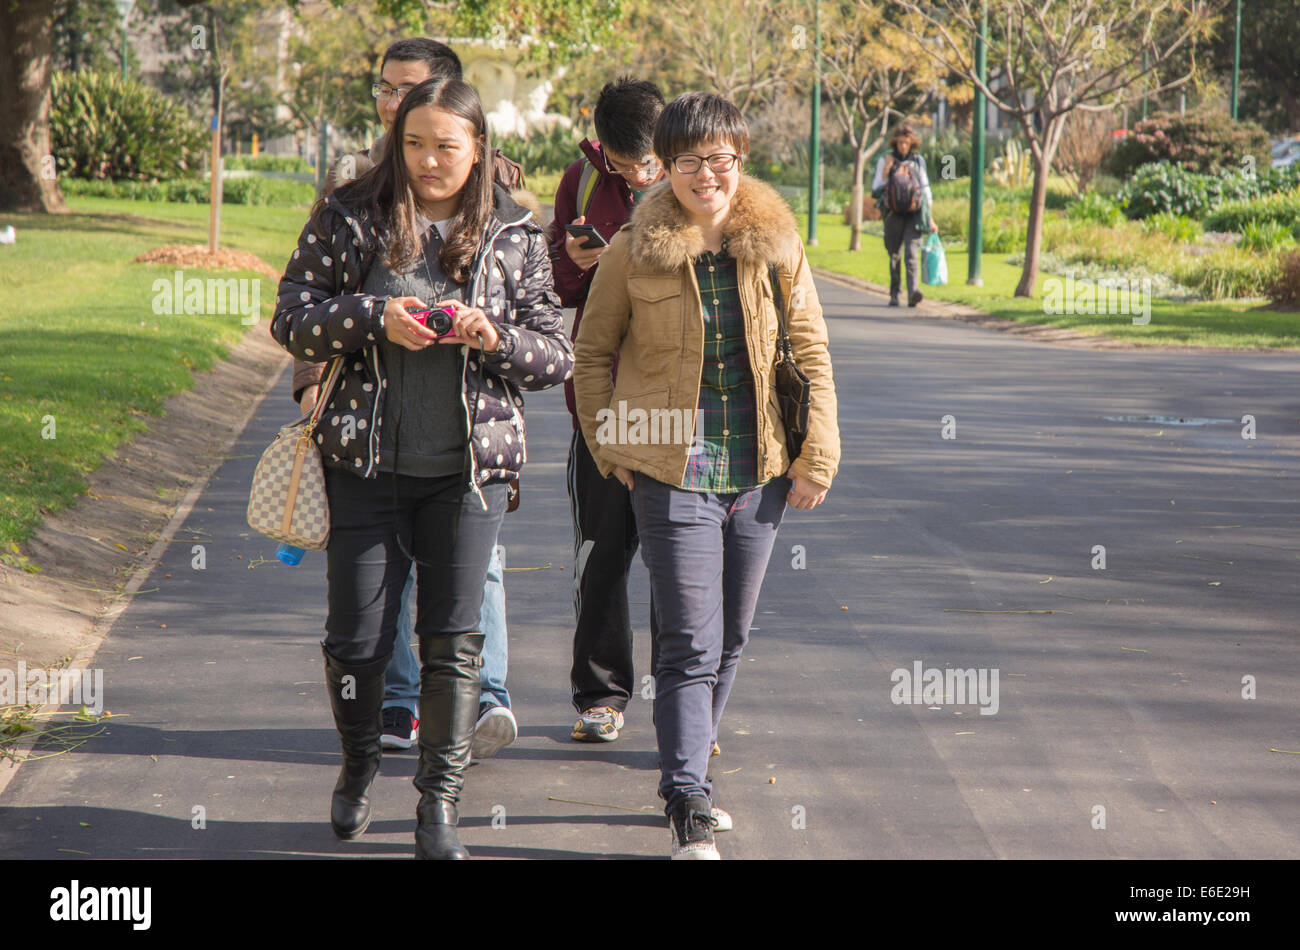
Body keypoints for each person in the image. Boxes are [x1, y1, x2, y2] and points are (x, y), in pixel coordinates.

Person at [270, 78, 573, 859]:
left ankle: (439, 805)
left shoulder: (515, 234)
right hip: (364, 469)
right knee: (356, 640)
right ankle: (359, 761)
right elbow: (292, 317)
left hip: (466, 476)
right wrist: (373, 318)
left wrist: (493, 336)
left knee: (452, 641)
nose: (430, 160)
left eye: (447, 145)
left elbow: (555, 356)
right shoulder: (349, 216)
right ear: (394, 143)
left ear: (479, 150)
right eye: (415, 143)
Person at [573, 93, 840, 859]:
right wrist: (611, 448)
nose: (706, 174)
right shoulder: (634, 245)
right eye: (688, 160)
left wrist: (815, 456)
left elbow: (812, 352)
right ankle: (687, 796)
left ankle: (692, 767)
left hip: (760, 467)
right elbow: (593, 356)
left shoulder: (777, 243)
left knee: (731, 637)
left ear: (740, 160)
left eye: (719, 158)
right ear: (667, 165)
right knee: (690, 638)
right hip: (670, 468)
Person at [294, 38, 525, 761]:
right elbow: (303, 305)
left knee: (467, 586)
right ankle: (390, 710)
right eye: (386, 92)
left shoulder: (507, 213)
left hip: (465, 456)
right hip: (368, 446)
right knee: (368, 607)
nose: (395, 104)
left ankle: (479, 705)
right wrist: (318, 377)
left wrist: (495, 337)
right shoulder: (352, 200)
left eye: (411, 89)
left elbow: (545, 339)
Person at [546, 77, 665, 744]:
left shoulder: (696, 179)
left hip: (681, 409)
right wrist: (573, 258)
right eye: (627, 164)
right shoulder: (581, 184)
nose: (639, 174)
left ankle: (686, 705)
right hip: (603, 405)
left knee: (684, 563)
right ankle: (601, 694)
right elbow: (561, 291)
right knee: (602, 553)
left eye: (647, 161)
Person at [870, 124, 938, 308]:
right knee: (894, 256)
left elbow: (925, 189)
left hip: (914, 215)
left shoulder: (917, 161)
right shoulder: (885, 160)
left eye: (906, 143)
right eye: (900, 143)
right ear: (895, 143)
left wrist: (930, 218)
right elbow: (876, 187)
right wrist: (887, 169)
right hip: (893, 214)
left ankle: (913, 292)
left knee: (912, 254)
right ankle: (895, 293)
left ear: (911, 143)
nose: (903, 147)